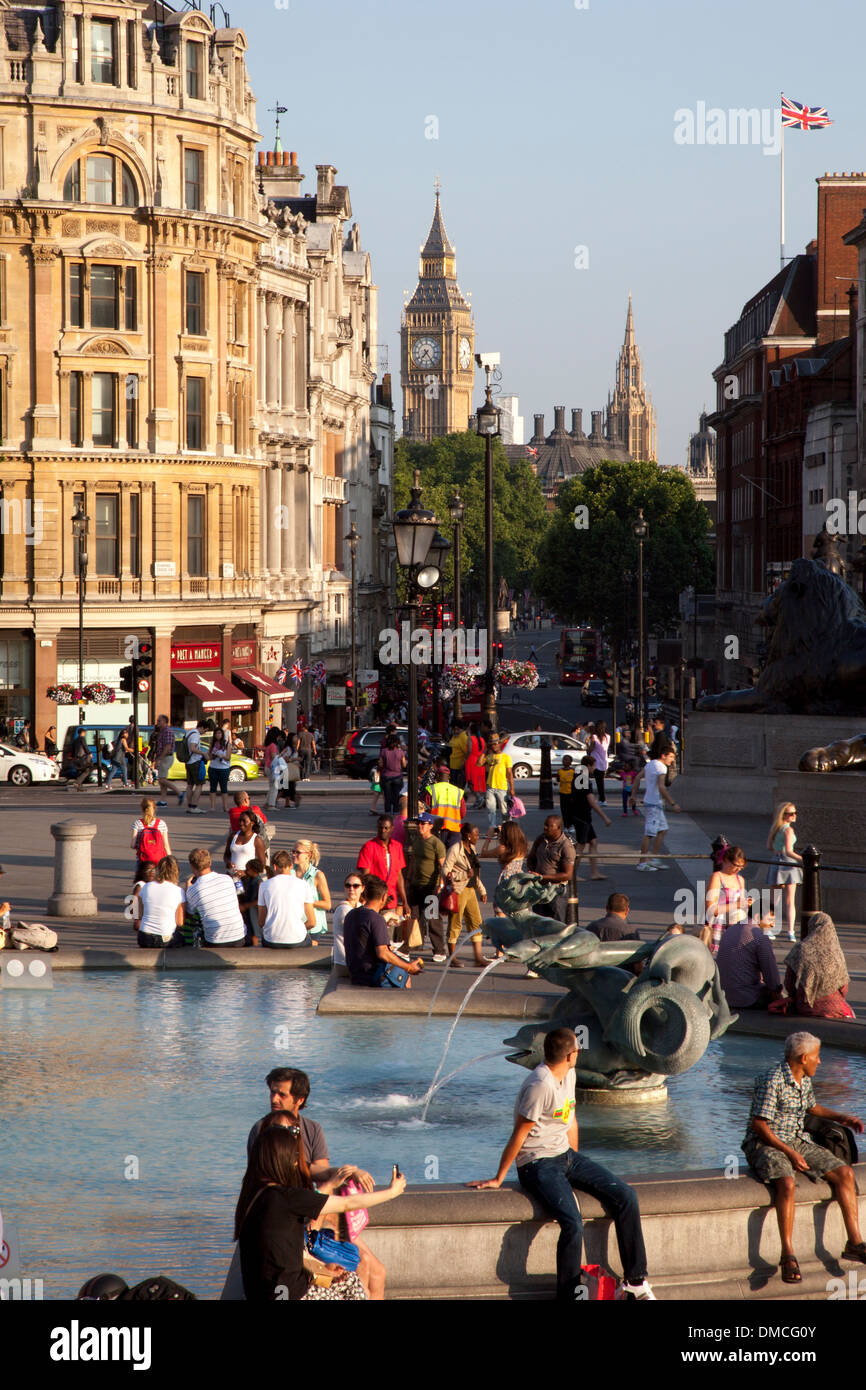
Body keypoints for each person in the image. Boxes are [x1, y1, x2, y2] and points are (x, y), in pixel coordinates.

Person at [467, 1027, 655, 1301]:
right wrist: (499, 1177)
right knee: (572, 1222)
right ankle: (568, 1295)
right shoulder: (539, 1085)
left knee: (626, 1196)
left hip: (565, 1157)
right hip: (537, 1163)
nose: (579, 1052)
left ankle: (636, 1281)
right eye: (577, 1049)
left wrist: (574, 1167)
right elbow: (520, 1133)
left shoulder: (569, 1074)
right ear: (570, 1055)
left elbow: (571, 1120)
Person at [242, 1068, 395, 1300]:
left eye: (281, 1094)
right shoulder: (265, 1133)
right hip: (301, 1220)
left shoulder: (312, 1129)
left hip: (316, 1213)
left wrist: (347, 1172)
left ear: (299, 1099)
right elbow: (303, 1173)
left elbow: (319, 1173)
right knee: (356, 1273)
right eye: (272, 1093)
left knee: (376, 1271)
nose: (274, 1099)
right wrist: (391, 1191)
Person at [741, 1032, 865, 1285]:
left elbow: (812, 1107)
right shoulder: (772, 1080)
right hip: (766, 1142)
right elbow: (759, 1125)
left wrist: (842, 1118)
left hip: (797, 1139)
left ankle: (855, 1243)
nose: (819, 1062)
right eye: (817, 1057)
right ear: (804, 1057)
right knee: (786, 1182)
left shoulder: (803, 1078)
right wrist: (789, 1153)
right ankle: (788, 1255)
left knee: (845, 1174)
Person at [235, 1125, 406, 1301]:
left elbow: (279, 1254)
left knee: (350, 1281)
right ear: (282, 1160)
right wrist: (391, 1192)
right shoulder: (285, 1198)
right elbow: (348, 1203)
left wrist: (322, 1270)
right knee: (355, 1291)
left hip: (266, 1291)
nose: (296, 1163)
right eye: (294, 1157)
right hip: (289, 1294)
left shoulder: (255, 1196)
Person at [771, 912, 855, 1020]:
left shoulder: (800, 948)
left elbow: (789, 983)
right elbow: (844, 987)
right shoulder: (836, 952)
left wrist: (796, 997)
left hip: (806, 1006)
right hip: (834, 1008)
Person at [344, 875, 423, 988]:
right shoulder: (376, 919)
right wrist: (408, 967)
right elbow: (383, 953)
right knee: (405, 977)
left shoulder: (351, 915)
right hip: (371, 976)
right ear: (384, 897)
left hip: (354, 974)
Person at [442, 821, 492, 968]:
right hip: (459, 890)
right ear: (468, 836)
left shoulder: (472, 848)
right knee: (455, 923)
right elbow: (445, 871)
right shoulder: (455, 850)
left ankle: (478, 957)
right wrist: (462, 875)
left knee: (476, 922)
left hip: (470, 890)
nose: (478, 836)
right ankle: (452, 957)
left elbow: (475, 873)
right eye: (476, 834)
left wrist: (482, 890)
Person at [716, 912, 782, 1010]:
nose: (772, 925)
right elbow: (771, 975)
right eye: (770, 920)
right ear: (757, 916)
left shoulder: (729, 931)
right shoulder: (759, 936)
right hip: (746, 998)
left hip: (722, 996)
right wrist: (777, 994)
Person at [404, 811, 447, 961]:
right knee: (413, 918)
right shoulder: (417, 841)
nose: (419, 826)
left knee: (432, 918)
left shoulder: (436, 844)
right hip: (416, 885)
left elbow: (443, 866)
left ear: (430, 826)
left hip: (431, 887)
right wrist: (408, 879)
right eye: (418, 823)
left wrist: (442, 883)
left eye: (423, 824)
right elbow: (414, 862)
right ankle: (408, 947)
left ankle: (439, 951)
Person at [630, 742, 680, 871]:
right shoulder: (661, 768)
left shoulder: (650, 764)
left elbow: (637, 779)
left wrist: (633, 796)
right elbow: (662, 787)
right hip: (654, 804)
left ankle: (654, 859)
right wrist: (673, 803)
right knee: (649, 833)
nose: (672, 760)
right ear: (664, 755)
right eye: (671, 757)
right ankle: (642, 863)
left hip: (652, 802)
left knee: (662, 830)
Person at [184, 848, 248, 947]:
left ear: (192, 866)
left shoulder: (193, 890)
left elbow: (189, 916)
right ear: (210, 863)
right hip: (239, 936)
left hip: (215, 940)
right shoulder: (227, 879)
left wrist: (188, 889)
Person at [258, 850, 317, 948]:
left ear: (275, 867)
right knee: (310, 941)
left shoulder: (264, 885)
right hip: (297, 939)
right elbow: (312, 922)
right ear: (291, 866)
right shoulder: (304, 885)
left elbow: (261, 922)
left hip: (271, 939)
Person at [526, 816, 578, 921]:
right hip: (539, 889)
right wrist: (533, 871)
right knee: (539, 923)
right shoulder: (541, 839)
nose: (545, 828)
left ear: (558, 828)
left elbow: (567, 874)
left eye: (548, 826)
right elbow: (531, 857)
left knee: (557, 925)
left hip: (556, 891)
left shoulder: (566, 846)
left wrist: (542, 877)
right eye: (544, 825)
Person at [568, 756, 611, 881]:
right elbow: (592, 802)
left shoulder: (578, 777)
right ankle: (571, 874)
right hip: (582, 817)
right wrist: (605, 817)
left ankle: (594, 872)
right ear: (588, 766)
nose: (595, 768)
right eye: (593, 765)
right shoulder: (584, 780)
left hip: (580, 815)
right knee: (580, 846)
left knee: (593, 841)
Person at [766, 802, 803, 943]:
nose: (794, 815)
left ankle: (768, 927)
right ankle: (790, 931)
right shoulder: (788, 830)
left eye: (795, 812)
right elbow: (789, 850)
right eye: (790, 813)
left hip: (776, 861)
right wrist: (803, 859)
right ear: (784, 815)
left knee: (774, 899)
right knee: (789, 900)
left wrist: (777, 851)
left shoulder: (776, 828)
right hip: (788, 864)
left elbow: (769, 846)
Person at [704, 845, 751, 955]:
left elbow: (741, 905)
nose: (738, 869)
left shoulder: (740, 879)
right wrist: (737, 905)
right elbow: (711, 909)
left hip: (734, 925)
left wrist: (747, 904)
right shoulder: (717, 877)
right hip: (718, 924)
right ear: (725, 860)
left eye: (741, 867)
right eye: (735, 865)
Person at [356, 816, 408, 916]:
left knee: (389, 930)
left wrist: (405, 901)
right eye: (380, 828)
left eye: (386, 828)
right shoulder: (369, 847)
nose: (383, 831)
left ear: (392, 829)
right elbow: (366, 877)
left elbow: (399, 876)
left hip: (390, 901)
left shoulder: (397, 847)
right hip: (373, 901)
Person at [136, 855, 185, 949]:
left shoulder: (146, 887)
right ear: (176, 872)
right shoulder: (178, 891)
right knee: (183, 940)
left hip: (144, 936)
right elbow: (179, 922)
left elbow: (140, 915)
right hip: (165, 938)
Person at [481, 733, 514, 849]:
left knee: (505, 810)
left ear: (499, 744)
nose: (494, 746)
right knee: (491, 810)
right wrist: (485, 750)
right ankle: (493, 829)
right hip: (490, 787)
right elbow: (478, 763)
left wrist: (512, 789)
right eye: (492, 744)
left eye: (495, 744)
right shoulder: (489, 756)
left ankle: (506, 830)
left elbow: (509, 773)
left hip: (502, 788)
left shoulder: (506, 757)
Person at [292, 840, 331, 936]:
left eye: (298, 852)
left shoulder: (317, 875)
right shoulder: (289, 873)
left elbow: (327, 904)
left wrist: (307, 903)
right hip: (293, 925)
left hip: (312, 928)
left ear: (308, 855)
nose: (294, 855)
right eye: (293, 851)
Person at [130, 798, 172, 882]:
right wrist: (169, 858)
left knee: (141, 882)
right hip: (158, 859)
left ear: (142, 809)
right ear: (154, 809)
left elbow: (132, 845)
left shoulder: (137, 823)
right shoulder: (161, 823)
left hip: (143, 859)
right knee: (159, 881)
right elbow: (166, 845)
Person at [425, 764, 465, 851]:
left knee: (438, 855)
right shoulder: (458, 791)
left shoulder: (431, 789)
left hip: (437, 828)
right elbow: (463, 813)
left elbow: (426, 810)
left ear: (438, 776)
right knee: (452, 858)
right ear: (449, 777)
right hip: (454, 828)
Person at [331, 873, 364, 976]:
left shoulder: (359, 906)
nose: (351, 889)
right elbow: (362, 932)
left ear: (362, 888)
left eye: (356, 886)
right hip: (345, 963)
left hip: (354, 961)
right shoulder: (343, 909)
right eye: (348, 885)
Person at [224, 810, 267, 880]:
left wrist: (245, 872)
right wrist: (228, 863)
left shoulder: (256, 839)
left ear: (252, 823)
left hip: (248, 878)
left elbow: (262, 864)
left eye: (244, 821)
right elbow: (226, 855)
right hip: (231, 876)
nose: (241, 823)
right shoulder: (233, 836)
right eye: (240, 820)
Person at [149, 715, 182, 807]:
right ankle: (163, 801)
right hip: (163, 756)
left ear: (164, 721)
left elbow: (167, 746)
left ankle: (179, 793)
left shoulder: (167, 731)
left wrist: (160, 758)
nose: (157, 723)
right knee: (162, 780)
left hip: (166, 757)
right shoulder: (162, 731)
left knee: (162, 780)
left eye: (159, 721)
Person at [377, 733, 407, 816]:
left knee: (387, 796)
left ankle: (387, 812)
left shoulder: (383, 751)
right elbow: (404, 764)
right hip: (397, 776)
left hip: (386, 776)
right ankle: (396, 811)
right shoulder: (400, 752)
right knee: (396, 795)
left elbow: (380, 764)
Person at [237, 858, 266, 943]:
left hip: (254, 911)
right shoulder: (249, 880)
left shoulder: (258, 882)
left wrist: (245, 906)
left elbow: (259, 900)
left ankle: (255, 948)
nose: (246, 871)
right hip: (248, 911)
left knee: (254, 931)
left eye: (247, 869)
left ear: (254, 870)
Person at [183, 719, 208, 815]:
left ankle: (190, 806)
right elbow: (193, 748)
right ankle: (194, 806)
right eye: (205, 730)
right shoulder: (195, 735)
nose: (204, 733)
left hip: (188, 762)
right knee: (199, 784)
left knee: (190, 784)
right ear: (201, 727)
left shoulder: (189, 732)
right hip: (195, 762)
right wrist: (203, 753)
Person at [207, 727, 232, 812]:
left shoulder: (227, 744)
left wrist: (222, 756)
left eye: (220, 733)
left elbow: (228, 757)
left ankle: (225, 806)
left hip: (224, 768)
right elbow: (208, 756)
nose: (218, 735)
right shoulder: (212, 743)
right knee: (212, 788)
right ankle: (212, 806)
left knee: (224, 788)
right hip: (213, 767)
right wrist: (213, 755)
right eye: (216, 733)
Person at [463, 722, 487, 811]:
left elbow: (469, 750)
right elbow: (485, 749)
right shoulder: (481, 739)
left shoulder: (470, 739)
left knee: (471, 782)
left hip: (471, 761)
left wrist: (465, 759)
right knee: (478, 781)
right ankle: (480, 799)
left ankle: (479, 798)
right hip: (480, 762)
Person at [586, 720, 610, 804]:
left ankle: (603, 799)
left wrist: (587, 744)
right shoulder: (608, 737)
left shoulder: (594, 737)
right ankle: (601, 798)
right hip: (604, 761)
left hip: (595, 762)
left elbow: (590, 749)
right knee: (600, 780)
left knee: (598, 781)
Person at [105, 724, 132, 790]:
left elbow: (121, 749)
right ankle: (125, 784)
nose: (127, 734)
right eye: (126, 733)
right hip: (120, 758)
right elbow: (127, 748)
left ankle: (108, 784)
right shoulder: (123, 740)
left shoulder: (118, 739)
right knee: (124, 770)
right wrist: (135, 750)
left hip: (115, 757)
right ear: (123, 734)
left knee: (113, 771)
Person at [556, 755, 576, 833]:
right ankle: (566, 825)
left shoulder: (573, 771)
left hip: (571, 793)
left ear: (570, 762)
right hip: (562, 793)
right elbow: (558, 779)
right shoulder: (560, 771)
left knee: (571, 810)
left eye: (567, 760)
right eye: (564, 760)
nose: (565, 761)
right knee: (564, 810)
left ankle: (571, 825)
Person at [448, 719, 469, 789]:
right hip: (452, 765)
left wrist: (463, 764)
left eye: (457, 729)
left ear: (461, 729)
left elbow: (467, 752)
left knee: (457, 787)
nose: (455, 731)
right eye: (454, 729)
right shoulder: (454, 736)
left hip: (458, 767)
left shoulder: (463, 737)